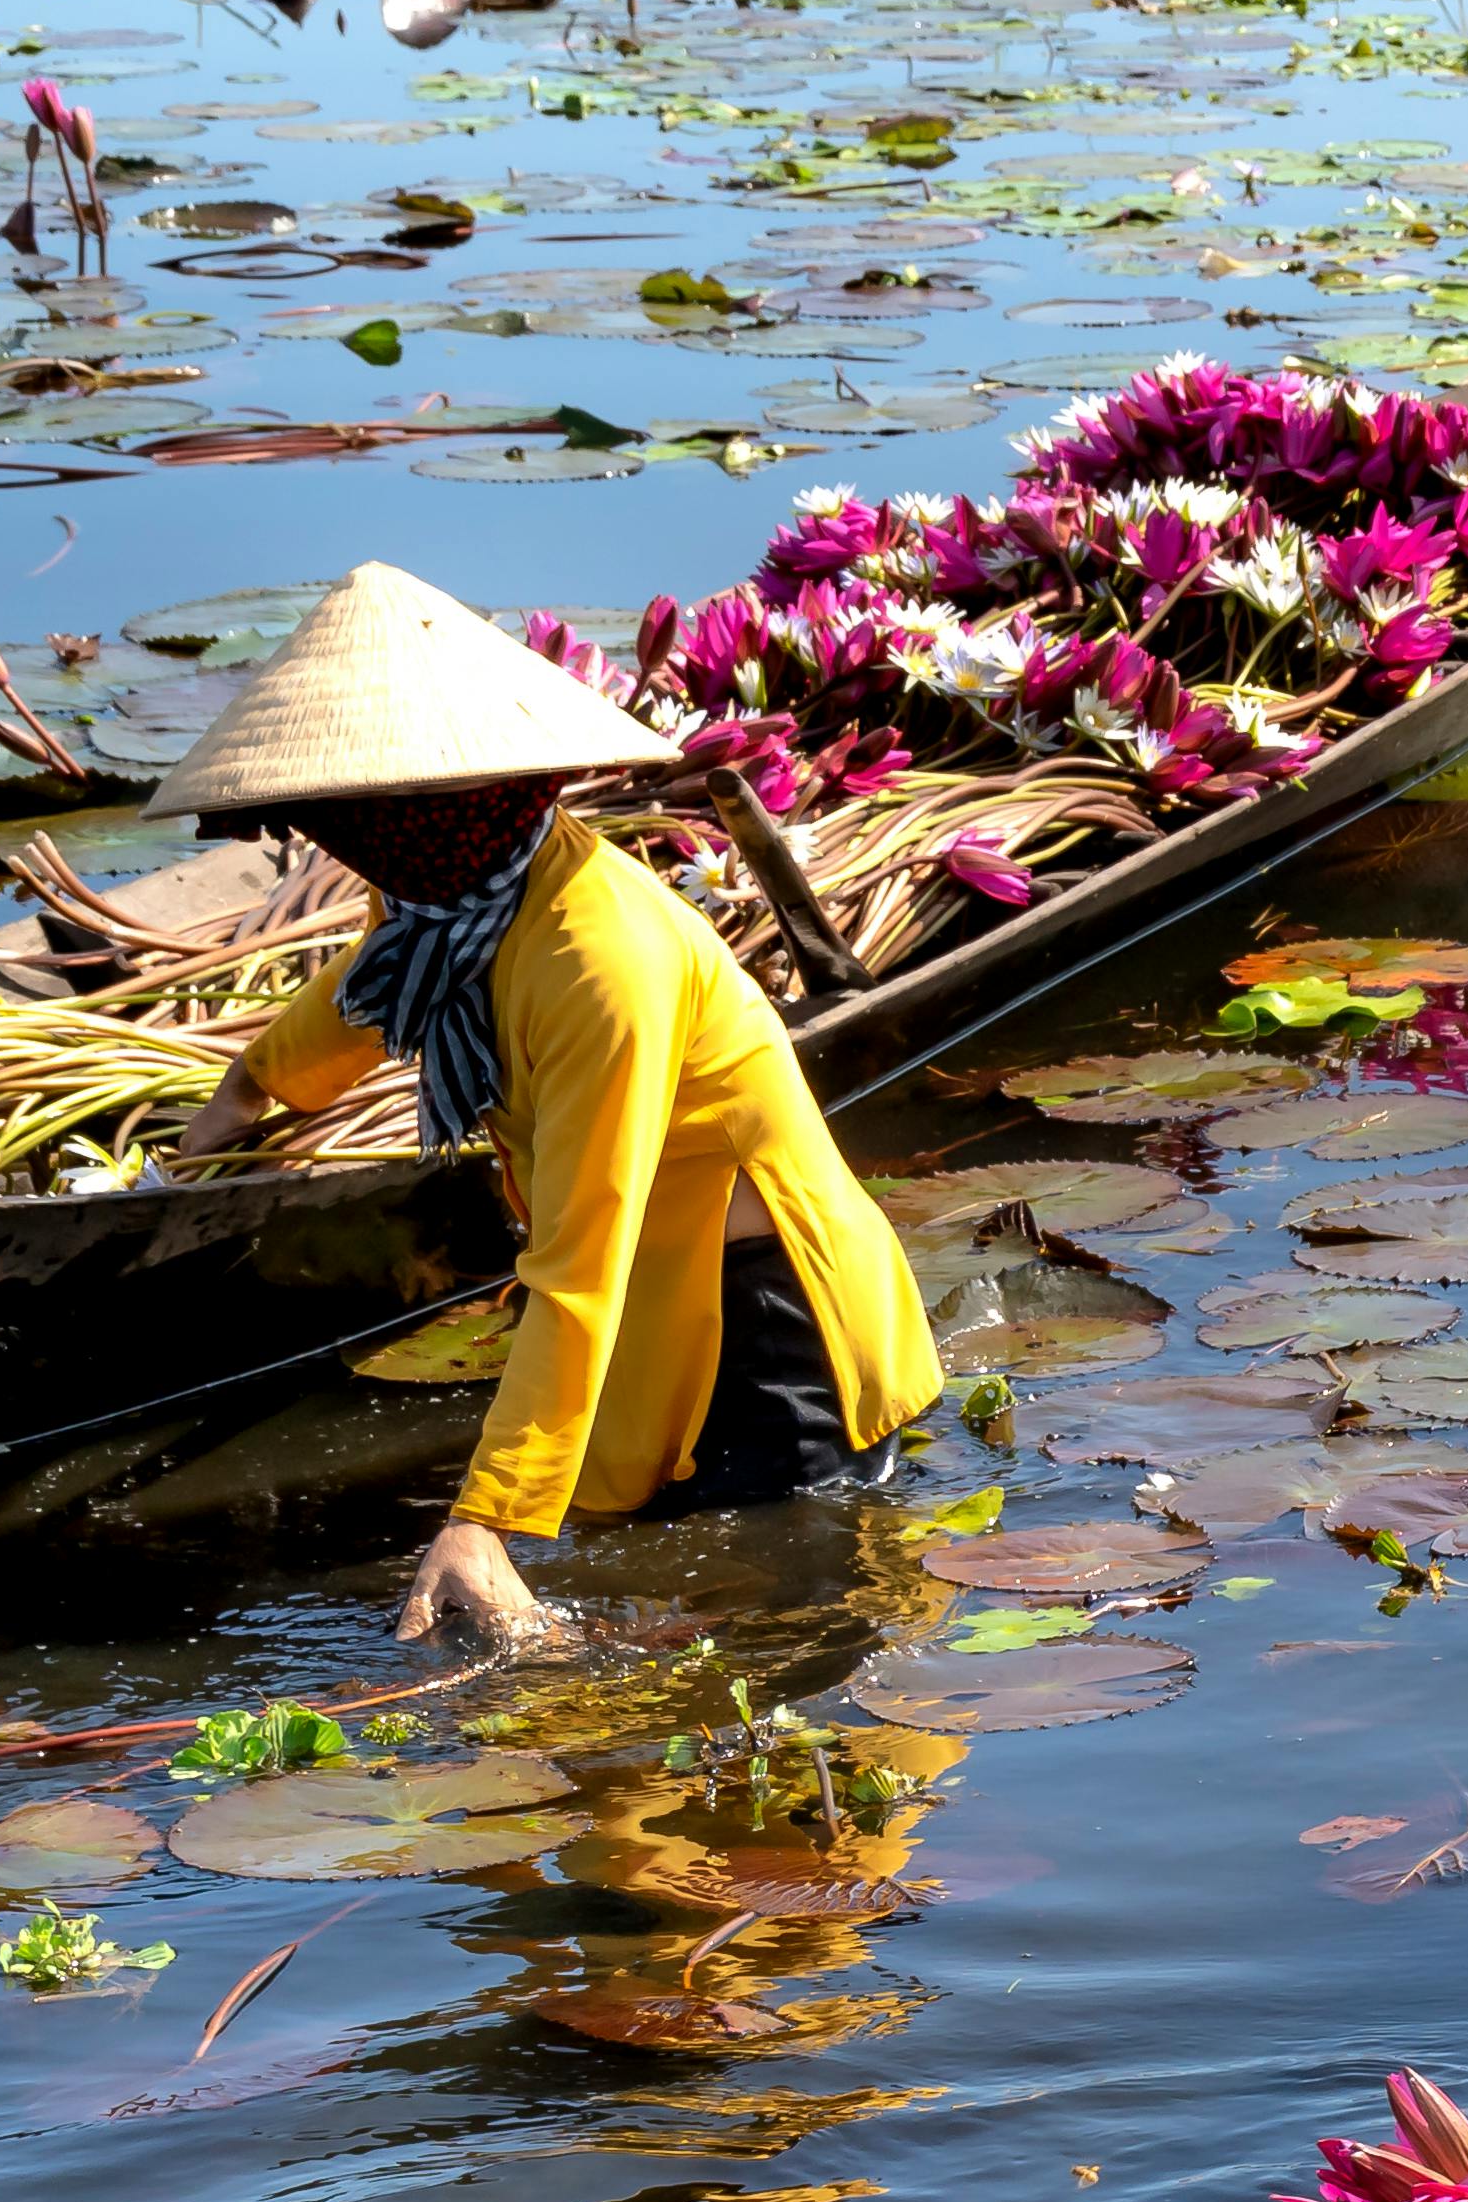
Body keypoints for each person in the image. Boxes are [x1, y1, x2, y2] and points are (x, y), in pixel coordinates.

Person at [154, 563, 944, 1657]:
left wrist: (485, 1520)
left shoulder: (599, 963)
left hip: (765, 1329)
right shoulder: (450, 901)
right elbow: (378, 973)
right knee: (659, 1602)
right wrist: (244, 1098)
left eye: (369, 819)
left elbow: (583, 1261)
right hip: (661, 1300)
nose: (354, 845)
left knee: (781, 1643)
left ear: (467, 804)